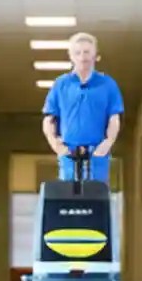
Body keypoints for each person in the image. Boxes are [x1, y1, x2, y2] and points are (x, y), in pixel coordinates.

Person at [41, 32, 124, 183]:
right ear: (71, 56)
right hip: (68, 152)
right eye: (77, 53)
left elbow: (114, 118)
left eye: (87, 52)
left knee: (96, 197)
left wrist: (108, 142)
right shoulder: (61, 85)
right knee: (68, 199)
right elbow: (49, 119)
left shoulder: (107, 84)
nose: (82, 57)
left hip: (97, 152)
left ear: (95, 55)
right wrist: (55, 143)